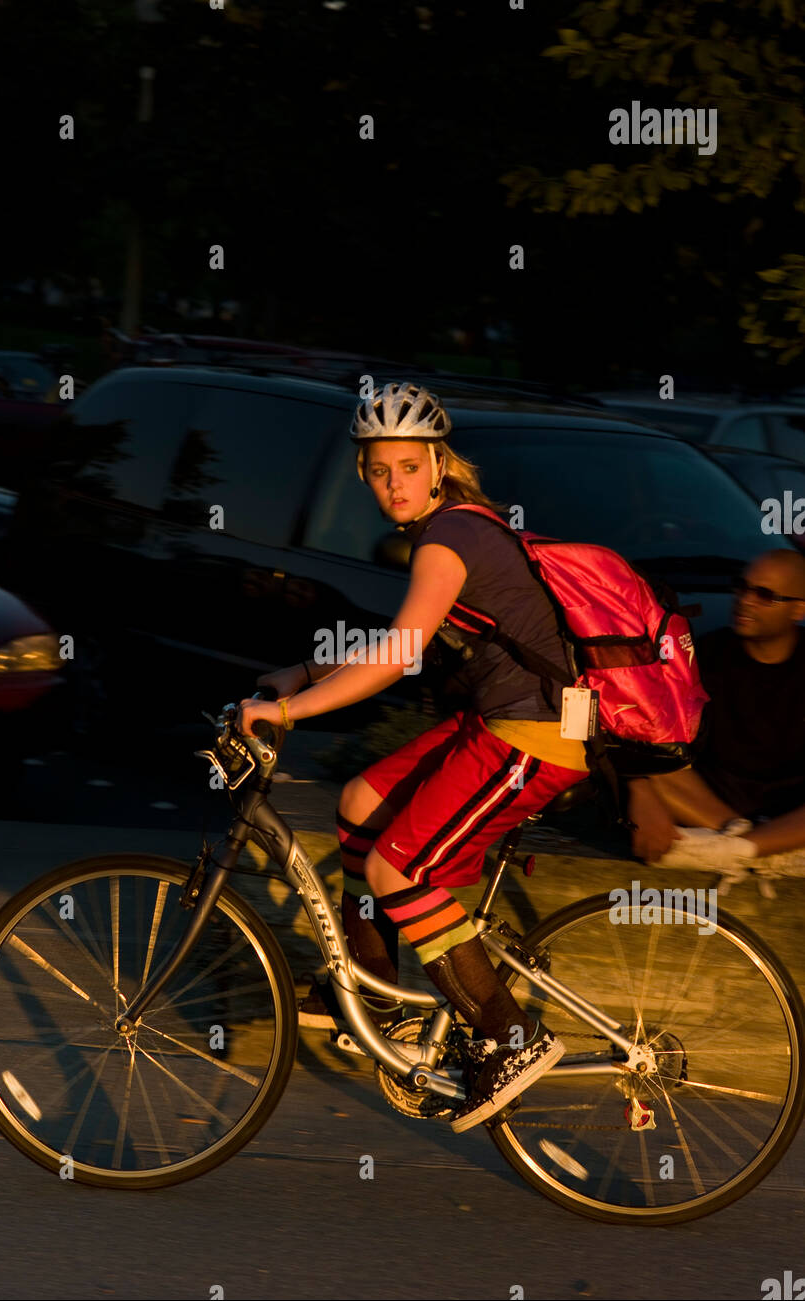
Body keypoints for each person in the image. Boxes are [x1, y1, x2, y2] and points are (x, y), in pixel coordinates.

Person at [237, 382, 592, 1131]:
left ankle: (509, 1035)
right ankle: (375, 999)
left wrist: (290, 712)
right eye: (377, 470)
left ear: (438, 463)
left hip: (534, 737)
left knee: (400, 869)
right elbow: (409, 642)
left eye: (407, 466)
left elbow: (399, 655)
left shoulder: (450, 536)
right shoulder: (454, 526)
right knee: (362, 802)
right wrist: (301, 675)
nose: (393, 484)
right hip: (497, 722)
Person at [627, 549, 805, 886]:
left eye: (764, 595)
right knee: (656, 771)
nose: (745, 600)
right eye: (742, 587)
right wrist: (640, 792)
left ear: (799, 609)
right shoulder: (702, 655)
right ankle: (756, 848)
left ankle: (743, 849)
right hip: (715, 811)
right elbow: (643, 737)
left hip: (791, 811)